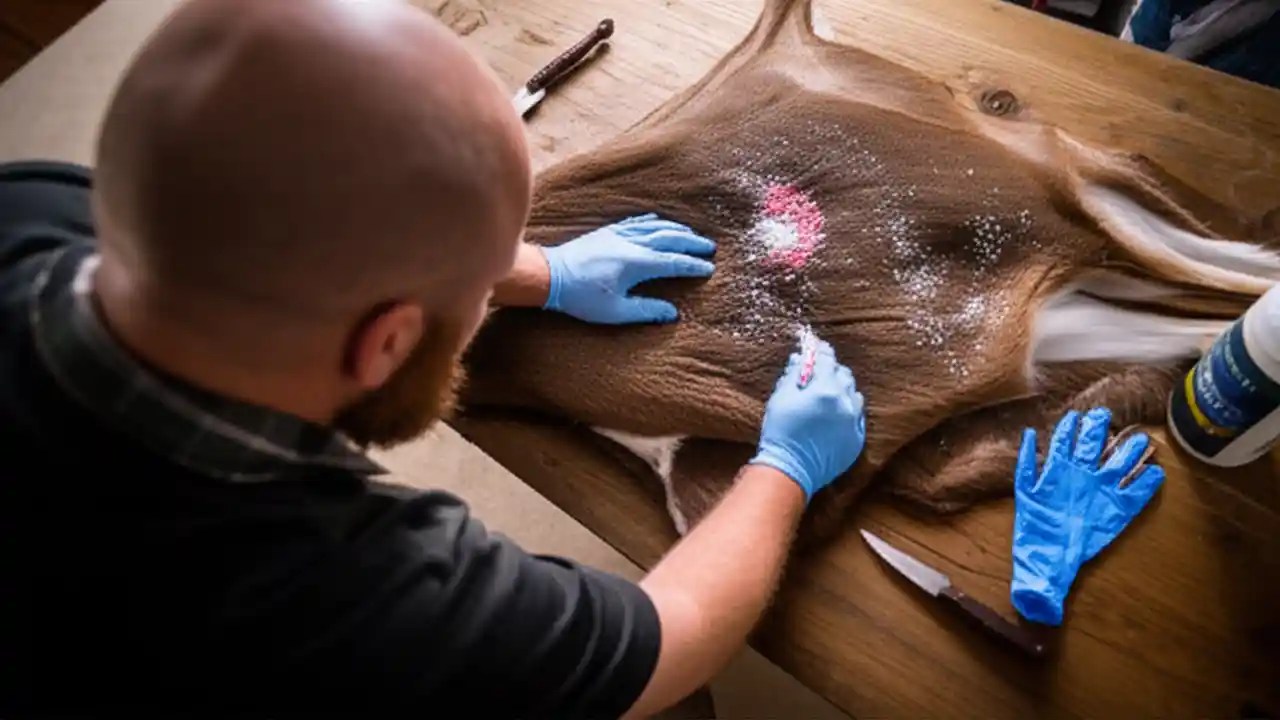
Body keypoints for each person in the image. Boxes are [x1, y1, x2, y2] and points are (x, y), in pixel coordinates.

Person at [0, 0, 866, 717]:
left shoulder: (32, 204)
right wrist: (785, 468)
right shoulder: (354, 603)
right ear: (385, 343)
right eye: (479, 293)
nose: (496, 287)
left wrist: (543, 272)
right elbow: (671, 634)